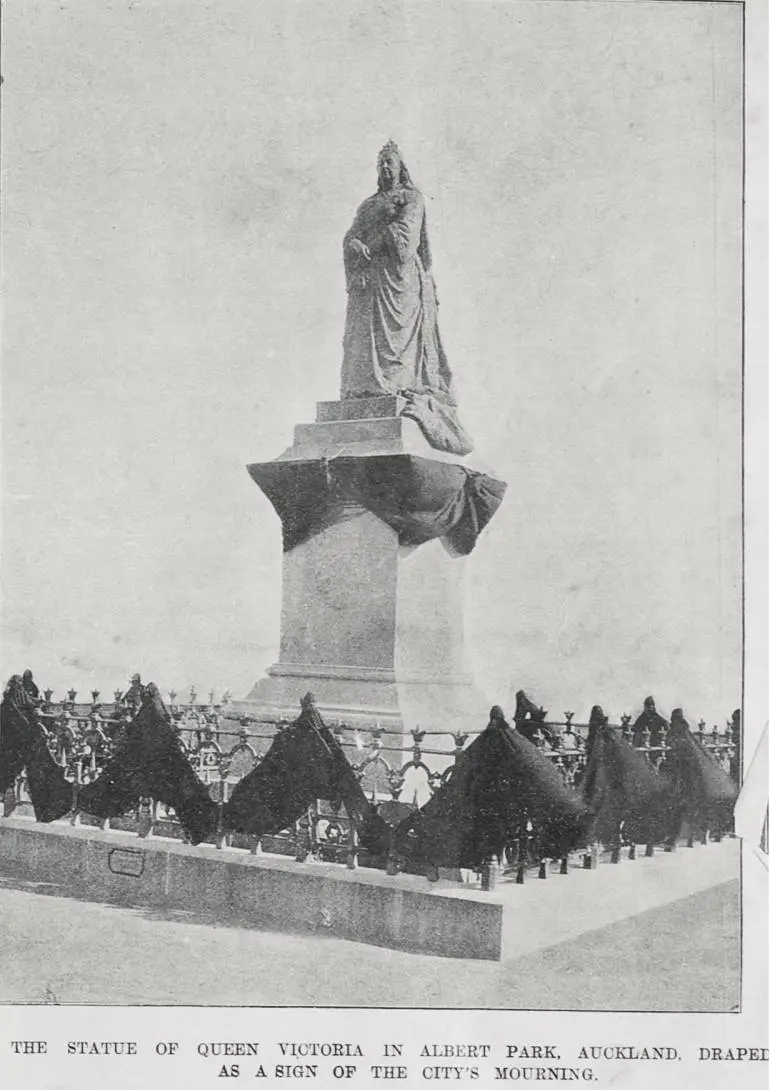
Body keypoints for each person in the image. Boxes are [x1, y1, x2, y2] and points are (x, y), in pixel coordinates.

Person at [340, 141, 473, 456]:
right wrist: (353, 245)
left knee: (398, 340)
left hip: (398, 279)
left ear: (400, 168)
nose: (385, 168)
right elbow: (350, 235)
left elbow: (404, 240)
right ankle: (365, 389)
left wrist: (369, 245)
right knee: (364, 337)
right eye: (381, 164)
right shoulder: (366, 205)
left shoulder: (411, 199)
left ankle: (399, 384)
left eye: (390, 163)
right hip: (369, 283)